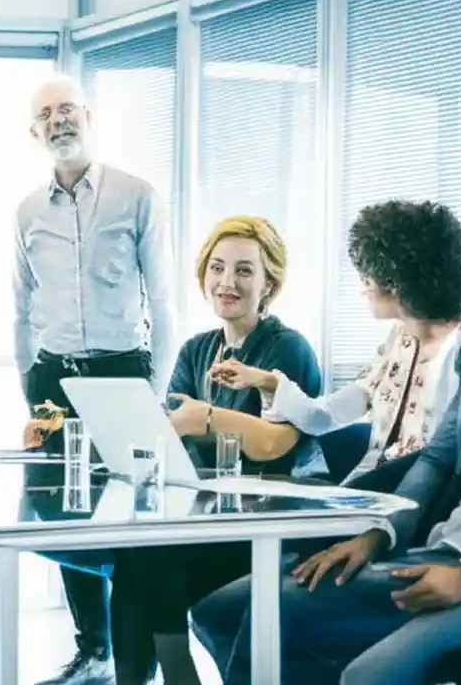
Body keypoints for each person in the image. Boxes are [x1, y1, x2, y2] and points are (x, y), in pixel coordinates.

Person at [192, 179, 461, 684]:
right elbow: (439, 458)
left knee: (332, 652)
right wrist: (376, 535)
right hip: (434, 546)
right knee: (221, 612)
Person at [109, 215, 324, 684]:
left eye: (245, 271)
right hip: (208, 514)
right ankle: (149, 676)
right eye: (217, 268)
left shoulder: (287, 350)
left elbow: (275, 446)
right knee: (136, 554)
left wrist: (205, 419)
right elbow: (171, 436)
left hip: (268, 523)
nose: (227, 282)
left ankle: (175, 674)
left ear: (269, 283)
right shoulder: (196, 350)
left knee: (153, 557)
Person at [14, 76, 173, 685]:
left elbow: (160, 298)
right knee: (57, 511)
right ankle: (94, 650)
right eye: (45, 113)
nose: (58, 120)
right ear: (34, 131)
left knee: (131, 513)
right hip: (54, 378)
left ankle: (137, 657)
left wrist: (154, 394)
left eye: (67, 109)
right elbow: (19, 306)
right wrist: (29, 384)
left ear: (89, 115)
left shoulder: (137, 196)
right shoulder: (26, 211)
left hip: (122, 371)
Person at [211, 200, 461, 484]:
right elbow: (323, 417)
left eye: (367, 272)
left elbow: (448, 463)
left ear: (398, 277)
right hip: (374, 493)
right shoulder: (400, 342)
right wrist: (263, 380)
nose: (363, 284)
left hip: (420, 500)